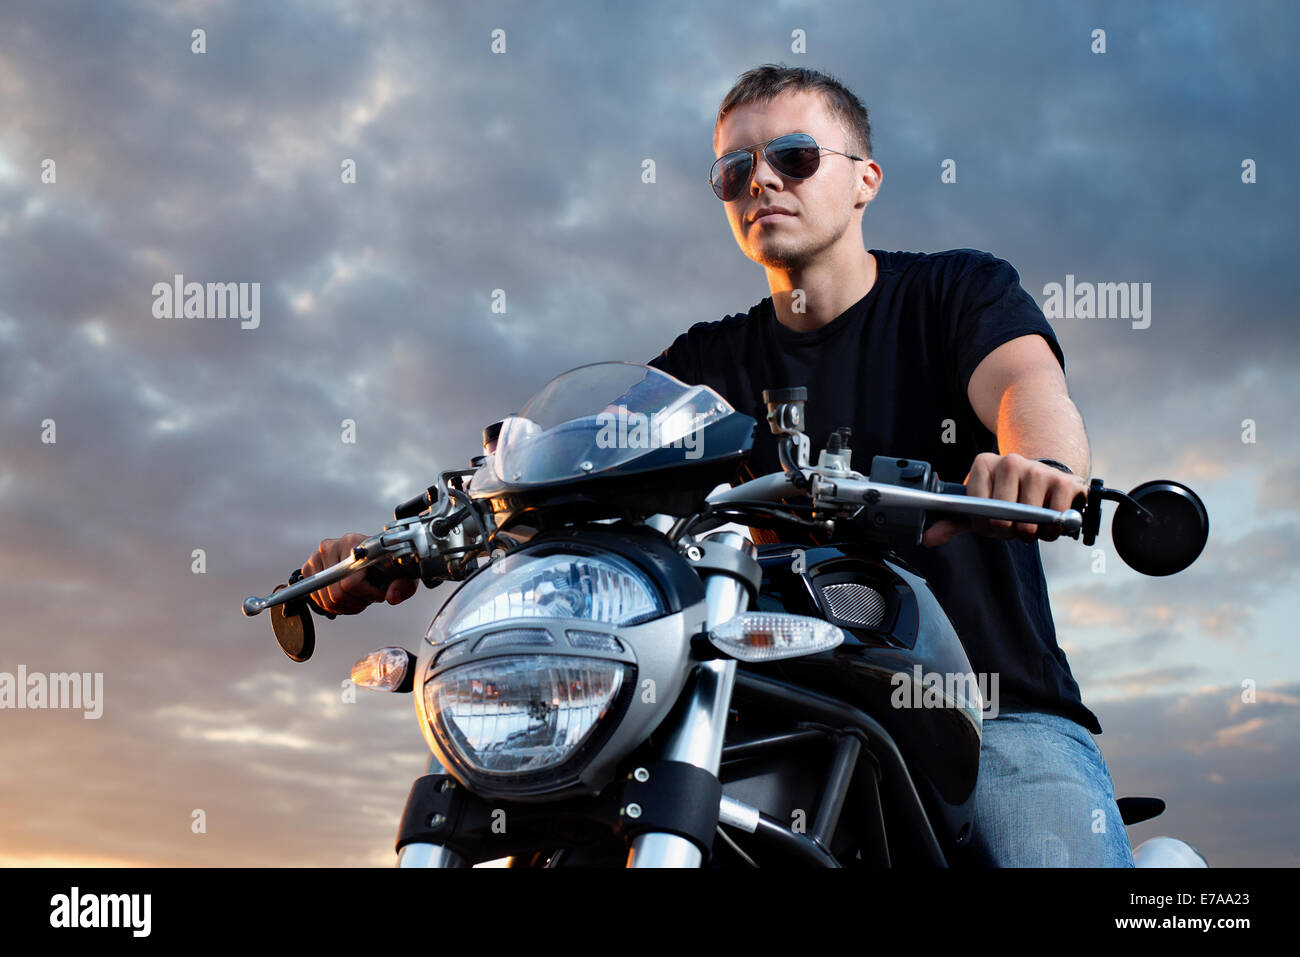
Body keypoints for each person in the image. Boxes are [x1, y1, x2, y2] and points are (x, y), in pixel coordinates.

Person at [300, 63, 1132, 867]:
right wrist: (398, 542)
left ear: (865, 179)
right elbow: (566, 463)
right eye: (735, 171)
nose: (762, 181)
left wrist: (1041, 463)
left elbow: (1027, 383)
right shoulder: (698, 369)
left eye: (794, 158)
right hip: (763, 702)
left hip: (986, 704)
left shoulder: (957, 294)